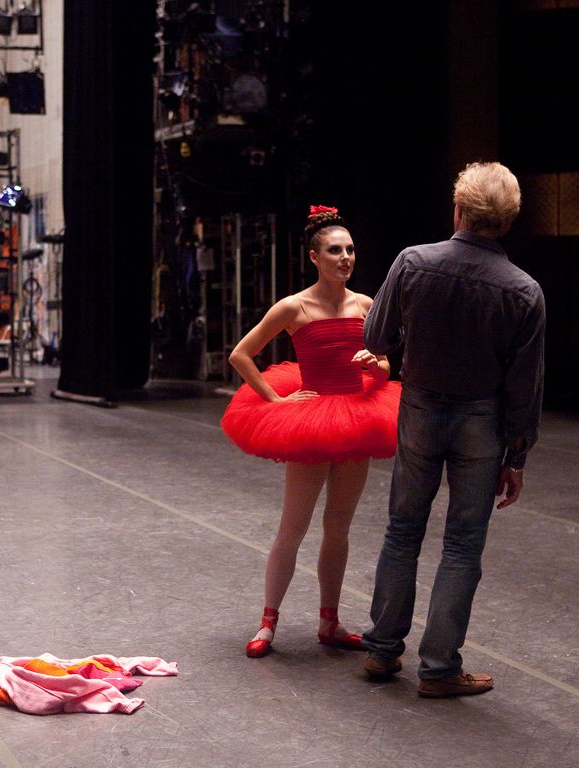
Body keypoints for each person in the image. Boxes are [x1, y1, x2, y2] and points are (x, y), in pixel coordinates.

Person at [360, 161, 546, 698]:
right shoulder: (524, 291)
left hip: (418, 408)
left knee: (402, 530)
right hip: (481, 423)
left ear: (459, 209)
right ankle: (439, 668)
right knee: (462, 546)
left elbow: (376, 337)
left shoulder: (413, 262)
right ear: (507, 221)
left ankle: (380, 651)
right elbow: (524, 386)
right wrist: (517, 457)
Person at [221, 205, 401, 658]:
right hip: (312, 418)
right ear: (314, 258)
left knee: (338, 528)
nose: (346, 258)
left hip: (357, 417)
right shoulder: (294, 306)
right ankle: (268, 622)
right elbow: (241, 355)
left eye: (350, 250)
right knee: (293, 528)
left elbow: (384, 367)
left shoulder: (367, 305)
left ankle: (330, 621)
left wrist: (374, 366)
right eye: (335, 250)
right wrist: (276, 400)